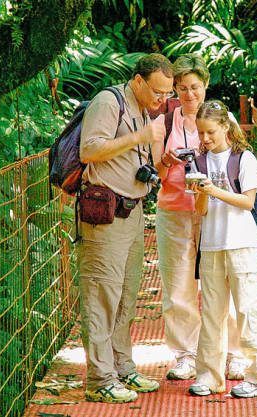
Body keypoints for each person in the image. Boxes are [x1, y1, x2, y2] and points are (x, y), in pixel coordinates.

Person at [78, 53, 173, 404]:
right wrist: (140, 138)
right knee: (102, 295)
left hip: (132, 212)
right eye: (158, 92)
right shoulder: (109, 101)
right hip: (104, 214)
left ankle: (122, 367)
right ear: (137, 81)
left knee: (126, 295)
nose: (162, 100)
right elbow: (90, 150)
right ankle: (100, 380)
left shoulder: (142, 109)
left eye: (167, 94)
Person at [152, 54, 248, 381]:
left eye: (195, 87)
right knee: (178, 282)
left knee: (223, 281)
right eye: (182, 88)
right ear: (174, 89)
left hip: (216, 213)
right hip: (174, 211)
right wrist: (166, 161)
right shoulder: (164, 123)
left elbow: (239, 164)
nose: (189, 94)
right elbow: (153, 172)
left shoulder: (224, 120)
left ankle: (234, 353)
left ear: (206, 85)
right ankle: (186, 355)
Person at [186, 100, 257, 398]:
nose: (205, 139)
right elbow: (202, 210)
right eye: (201, 133)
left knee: (248, 310)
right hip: (211, 244)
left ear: (225, 127)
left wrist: (214, 190)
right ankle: (209, 376)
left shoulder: (244, 158)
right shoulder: (198, 163)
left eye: (210, 132)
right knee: (211, 313)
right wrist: (200, 193)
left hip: (242, 242)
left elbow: (248, 202)